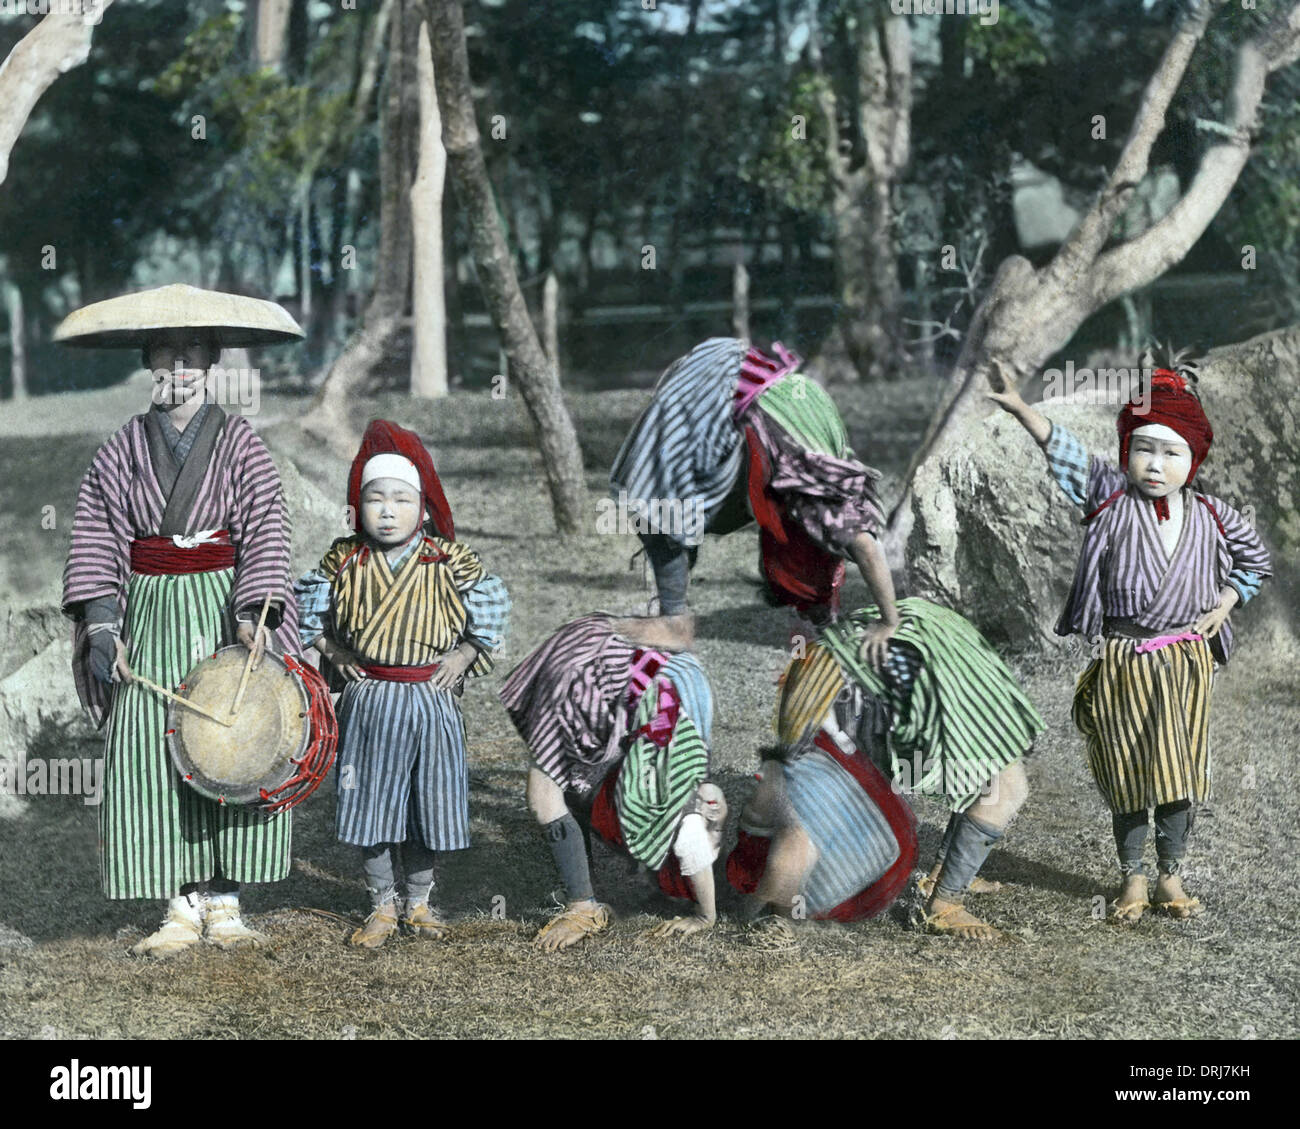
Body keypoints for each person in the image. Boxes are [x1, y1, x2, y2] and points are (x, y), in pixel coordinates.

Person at [59, 285, 304, 957]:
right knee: (148, 741)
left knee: (231, 735)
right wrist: (104, 626)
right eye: (165, 351)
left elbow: (267, 528)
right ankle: (178, 901)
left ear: (211, 362)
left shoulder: (241, 444)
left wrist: (256, 610)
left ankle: (224, 897)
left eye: (192, 352)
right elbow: (97, 540)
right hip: (152, 608)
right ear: (148, 360)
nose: (178, 366)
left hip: (223, 607)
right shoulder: (120, 450)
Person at [989, 354, 1271, 922]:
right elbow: (1063, 451)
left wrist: (1227, 599)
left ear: (1193, 460)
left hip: (1186, 660)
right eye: (1144, 449)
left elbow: (1255, 560)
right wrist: (1022, 409)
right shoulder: (1109, 499)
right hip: (1124, 659)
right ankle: (1132, 879)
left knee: (1177, 771)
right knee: (1126, 772)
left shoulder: (1214, 515)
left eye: (1172, 453)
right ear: (1126, 455)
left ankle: (1170, 875)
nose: (1155, 465)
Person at [294, 420, 510, 949]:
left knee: (425, 804)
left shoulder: (447, 559)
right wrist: (332, 650)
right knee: (370, 802)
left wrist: (465, 652)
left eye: (401, 500)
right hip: (369, 697)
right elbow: (305, 612)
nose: (387, 512)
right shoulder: (343, 558)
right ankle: (381, 905)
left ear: (423, 506)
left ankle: (419, 901)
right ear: (358, 506)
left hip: (430, 698)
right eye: (375, 500)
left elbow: (494, 604)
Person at [731, 599, 1045, 942]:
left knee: (995, 779)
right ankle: (943, 902)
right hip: (870, 680)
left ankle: (942, 881)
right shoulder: (814, 771)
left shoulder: (813, 739)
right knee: (1005, 786)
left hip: (878, 668)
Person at [609, 338, 899, 660]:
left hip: (768, 383)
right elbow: (865, 546)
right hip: (746, 390)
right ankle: (674, 617)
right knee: (656, 502)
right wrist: (889, 620)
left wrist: (888, 622)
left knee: (660, 506)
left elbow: (865, 546)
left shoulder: (806, 491)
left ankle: (675, 616)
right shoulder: (806, 484)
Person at [500, 615, 726, 951]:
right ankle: (582, 900)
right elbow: (692, 832)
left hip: (605, 665)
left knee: (559, 789)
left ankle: (582, 896)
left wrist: (704, 914)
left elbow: (692, 833)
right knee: (555, 789)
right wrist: (705, 915)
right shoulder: (667, 774)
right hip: (602, 673)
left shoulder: (670, 780)